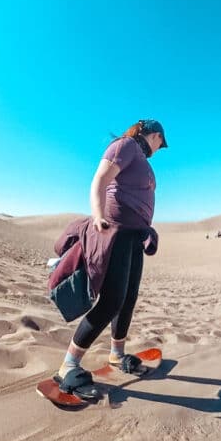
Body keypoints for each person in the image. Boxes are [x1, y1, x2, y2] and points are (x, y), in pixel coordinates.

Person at [54, 119, 168, 398]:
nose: (159, 148)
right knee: (111, 301)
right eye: (159, 143)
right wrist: (98, 215)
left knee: (128, 298)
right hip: (115, 231)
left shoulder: (141, 159)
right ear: (152, 135)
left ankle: (117, 354)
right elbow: (101, 179)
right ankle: (68, 366)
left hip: (135, 235)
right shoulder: (125, 145)